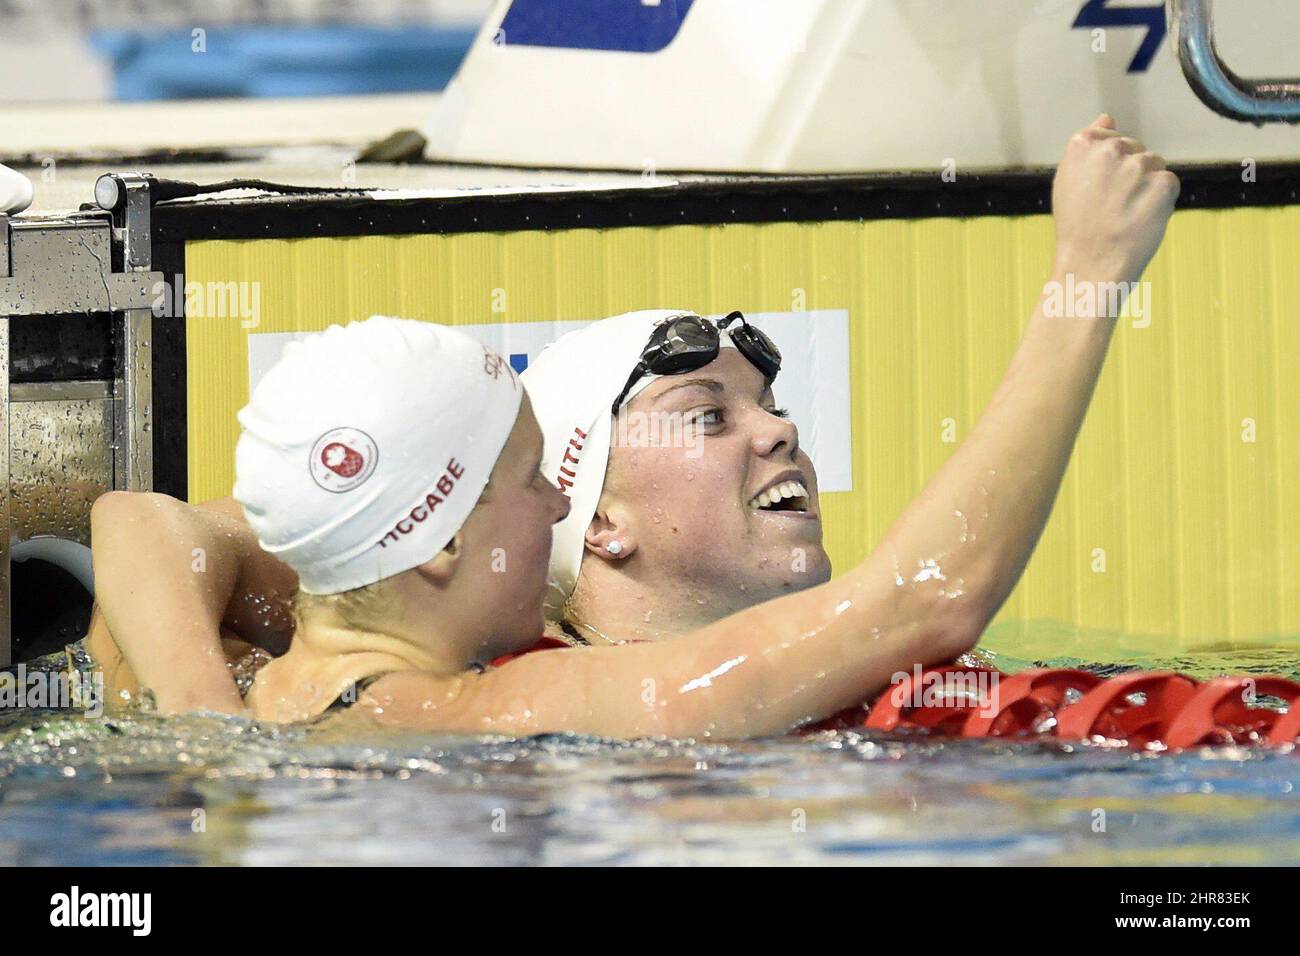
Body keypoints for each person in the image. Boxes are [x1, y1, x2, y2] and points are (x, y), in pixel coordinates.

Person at [85, 114, 1179, 733]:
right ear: (454, 538)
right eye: (533, 481)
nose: (551, 501)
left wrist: (196, 718)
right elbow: (923, 598)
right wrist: (1084, 279)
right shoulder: (511, 704)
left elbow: (141, 520)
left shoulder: (251, 676)